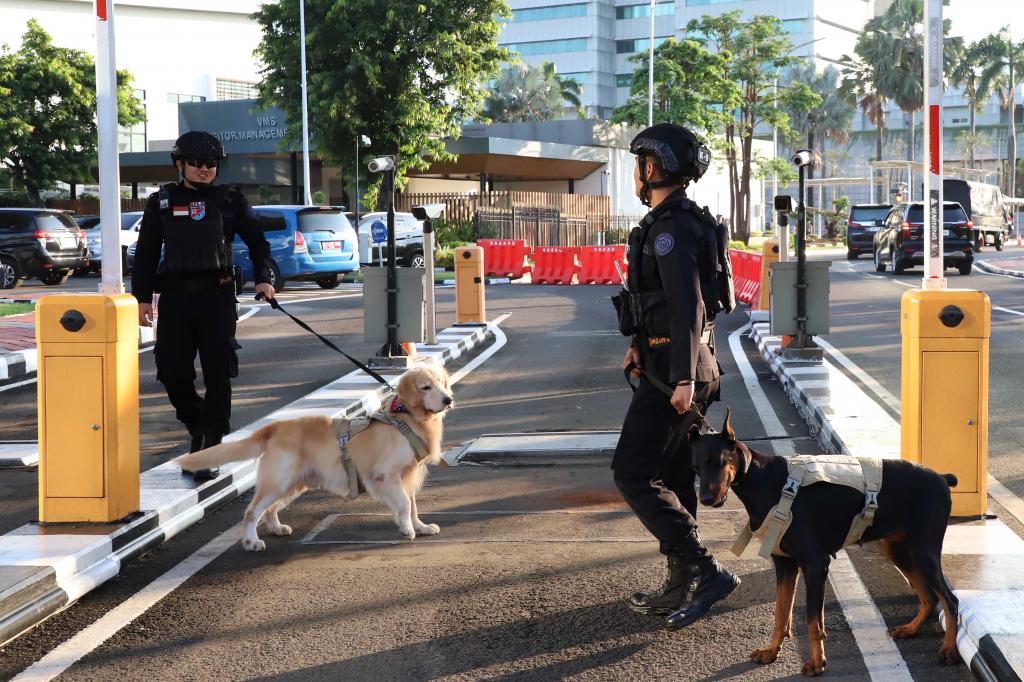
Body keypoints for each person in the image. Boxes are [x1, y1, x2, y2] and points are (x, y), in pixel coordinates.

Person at [613, 123, 740, 629]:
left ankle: (706, 570)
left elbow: (687, 304)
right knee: (668, 473)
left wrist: (682, 377)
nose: (636, 174)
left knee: (632, 471)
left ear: (651, 167)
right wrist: (637, 346)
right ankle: (681, 580)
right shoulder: (678, 221)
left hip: (678, 373)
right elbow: (663, 305)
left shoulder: (669, 228)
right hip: (673, 363)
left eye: (639, 163)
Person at [132, 131, 275, 480]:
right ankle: (199, 426)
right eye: (195, 162)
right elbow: (147, 253)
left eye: (210, 163)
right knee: (173, 372)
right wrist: (141, 298)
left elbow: (258, 243)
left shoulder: (230, 200)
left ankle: (210, 446)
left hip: (217, 298)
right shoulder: (161, 202)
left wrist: (265, 277)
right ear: (179, 164)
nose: (204, 169)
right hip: (176, 299)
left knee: (217, 371)